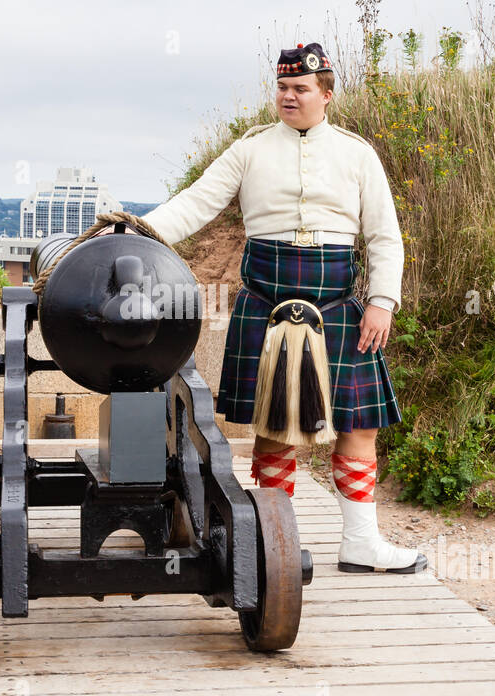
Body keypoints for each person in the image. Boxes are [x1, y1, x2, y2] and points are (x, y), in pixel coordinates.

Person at [120, 42, 427, 574]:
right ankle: (271, 540)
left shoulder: (357, 154)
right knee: (272, 425)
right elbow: (198, 201)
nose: (289, 96)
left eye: (300, 89)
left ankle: (360, 543)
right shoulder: (251, 149)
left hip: (338, 306)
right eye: (282, 87)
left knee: (360, 426)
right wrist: (138, 232)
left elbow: (384, 236)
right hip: (268, 305)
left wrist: (381, 301)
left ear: (326, 95)